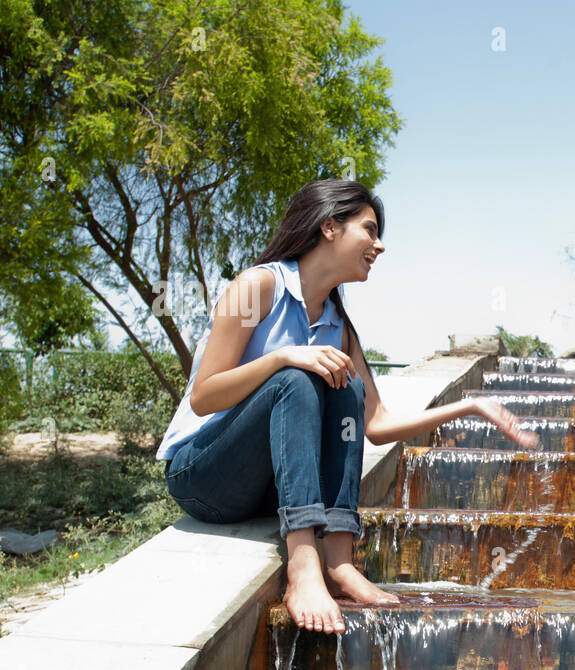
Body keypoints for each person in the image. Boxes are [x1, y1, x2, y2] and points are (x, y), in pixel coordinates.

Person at [156, 179, 537, 633]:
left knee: (347, 387)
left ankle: (339, 560)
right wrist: (284, 356)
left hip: (267, 489)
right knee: (295, 379)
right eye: (370, 230)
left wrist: (470, 406)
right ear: (329, 227)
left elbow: (376, 424)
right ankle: (303, 567)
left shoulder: (339, 327)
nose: (380, 245)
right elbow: (203, 396)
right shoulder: (254, 287)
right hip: (204, 476)